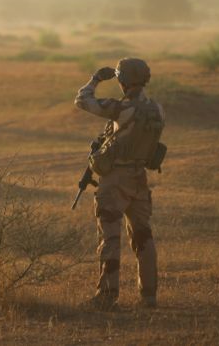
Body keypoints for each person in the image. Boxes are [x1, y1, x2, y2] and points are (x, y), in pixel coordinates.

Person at [74, 57, 165, 311]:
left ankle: (107, 296)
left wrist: (95, 79)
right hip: (140, 179)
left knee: (110, 237)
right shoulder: (157, 108)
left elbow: (81, 100)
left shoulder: (121, 108)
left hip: (115, 180)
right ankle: (149, 296)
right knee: (143, 236)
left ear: (122, 81)